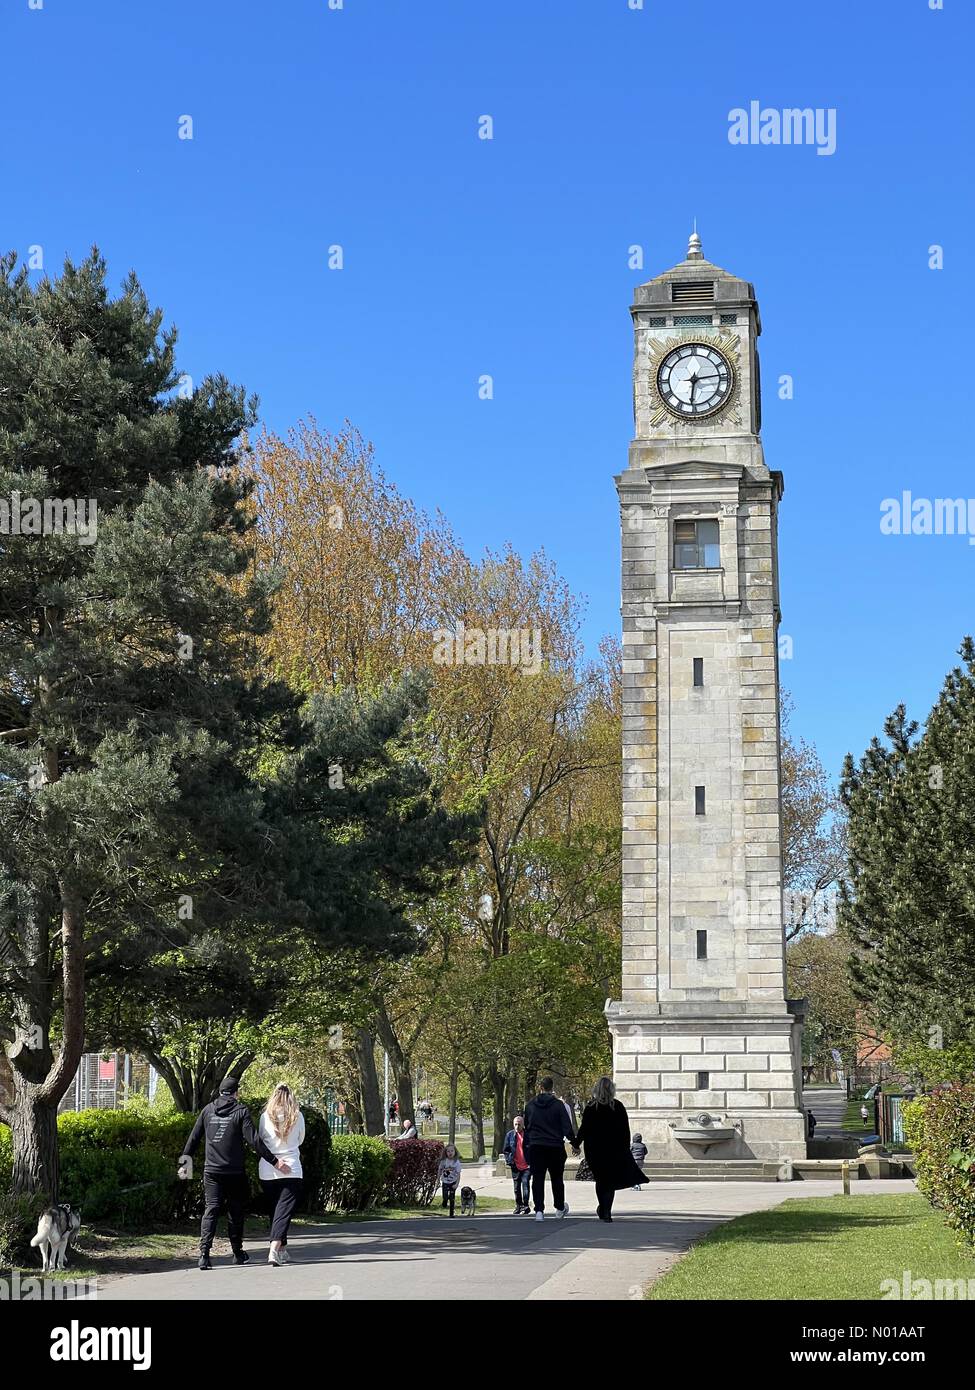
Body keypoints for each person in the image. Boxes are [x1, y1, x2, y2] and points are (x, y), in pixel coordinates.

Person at [180, 1076, 291, 1271]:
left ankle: (204, 1255)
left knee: (211, 1209)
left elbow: (193, 1138)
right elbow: (254, 1140)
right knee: (235, 1212)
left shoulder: (207, 1110)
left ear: (220, 1092)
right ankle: (237, 1253)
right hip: (234, 1172)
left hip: (212, 1171)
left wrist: (184, 1164)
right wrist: (274, 1161)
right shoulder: (241, 1111)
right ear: (235, 1093)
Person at [572, 1077, 645, 1222]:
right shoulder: (618, 1106)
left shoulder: (591, 1107)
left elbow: (584, 1129)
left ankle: (603, 1207)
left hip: (595, 1150)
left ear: (596, 1090)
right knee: (609, 1181)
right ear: (612, 1090)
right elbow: (625, 1131)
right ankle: (607, 1211)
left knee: (601, 1180)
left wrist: (576, 1144)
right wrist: (625, 1149)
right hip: (614, 1150)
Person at [259, 1083, 305, 1268]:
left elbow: (260, 1139)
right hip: (292, 1168)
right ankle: (274, 1249)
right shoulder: (297, 1116)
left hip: (268, 1168)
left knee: (276, 1210)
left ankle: (282, 1249)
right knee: (283, 1212)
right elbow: (301, 1139)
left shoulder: (265, 1117)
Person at [524, 1077, 577, 1221]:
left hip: (536, 1146)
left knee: (538, 1179)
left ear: (540, 1087)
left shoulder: (530, 1106)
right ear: (551, 1087)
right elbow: (566, 1127)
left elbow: (527, 1128)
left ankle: (539, 1211)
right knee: (557, 1179)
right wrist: (575, 1143)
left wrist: (526, 1148)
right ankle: (559, 1207)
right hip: (554, 1146)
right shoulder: (558, 1106)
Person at [502, 1115, 532, 1214]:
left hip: (527, 1165)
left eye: (519, 1124)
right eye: (515, 1124)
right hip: (515, 1165)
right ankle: (518, 1205)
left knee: (525, 1185)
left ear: (523, 1125)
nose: (517, 1126)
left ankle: (526, 1205)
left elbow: (533, 1148)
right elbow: (506, 1150)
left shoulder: (528, 1135)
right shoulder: (510, 1135)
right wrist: (510, 1161)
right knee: (516, 1187)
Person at [437, 1143, 462, 1216]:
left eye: (452, 1151)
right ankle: (444, 1201)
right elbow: (440, 1170)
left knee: (452, 1198)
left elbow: (458, 1174)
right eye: (448, 1151)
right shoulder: (444, 1161)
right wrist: (438, 1180)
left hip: (453, 1182)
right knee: (445, 1196)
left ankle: (451, 1213)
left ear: (455, 1152)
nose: (450, 1153)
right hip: (445, 1181)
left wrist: (457, 1184)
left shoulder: (456, 1162)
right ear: (445, 1153)